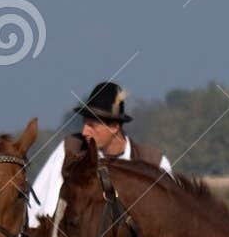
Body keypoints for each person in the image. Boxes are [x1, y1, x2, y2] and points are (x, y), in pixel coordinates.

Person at [26, 81, 172, 228]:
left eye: (92, 126)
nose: (84, 132)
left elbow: (168, 224)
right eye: (84, 124)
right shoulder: (70, 150)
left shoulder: (155, 163)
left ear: (114, 127)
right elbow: (37, 207)